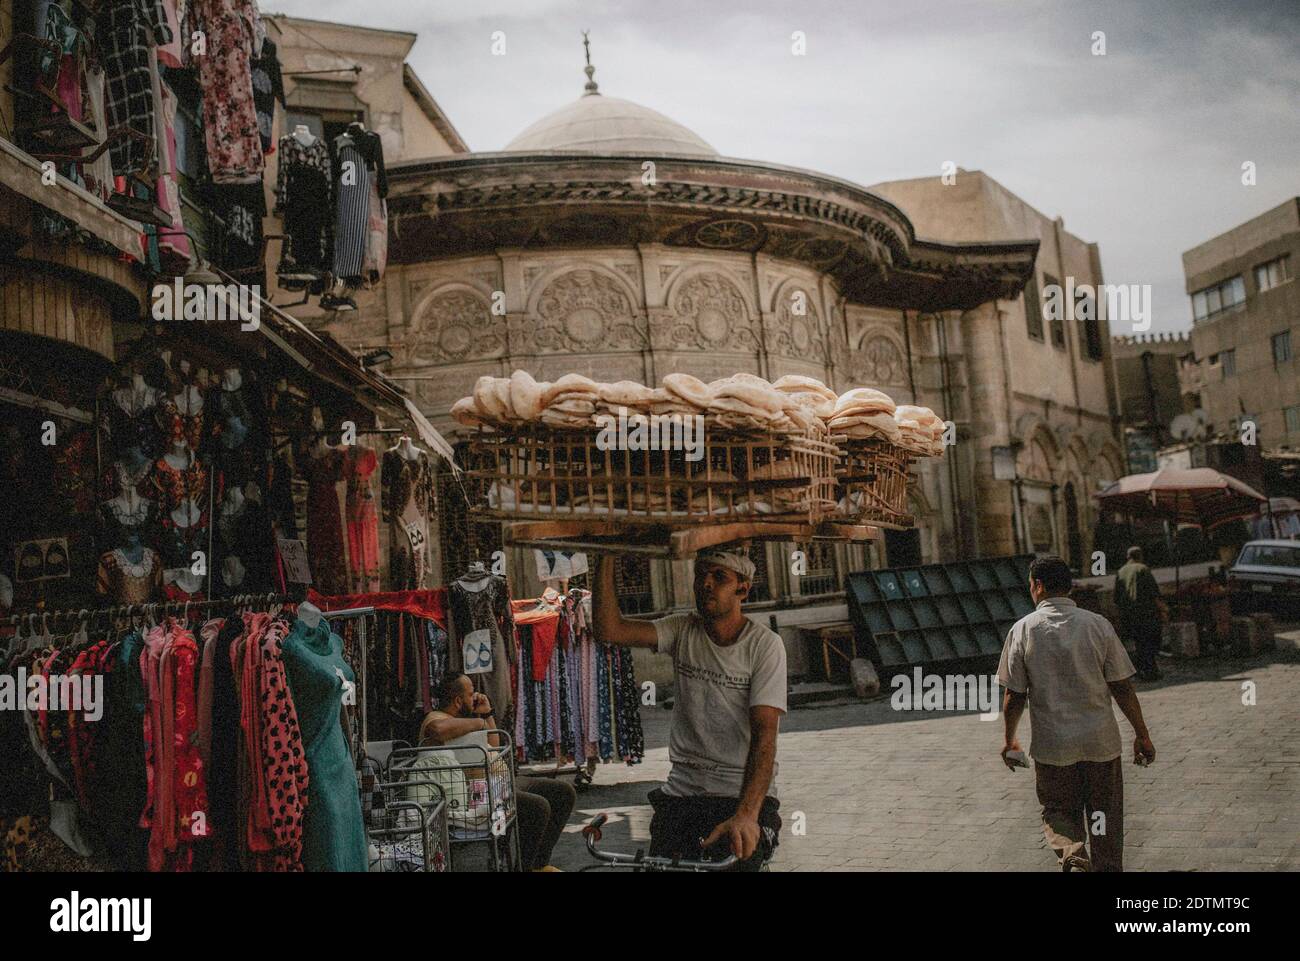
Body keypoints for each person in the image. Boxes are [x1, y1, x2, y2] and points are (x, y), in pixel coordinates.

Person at [593, 549, 786, 871]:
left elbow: (765, 735)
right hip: (682, 794)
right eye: (701, 575)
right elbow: (609, 630)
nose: (705, 584)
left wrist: (747, 815)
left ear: (743, 589)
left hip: (739, 795)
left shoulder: (764, 646)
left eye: (719, 577)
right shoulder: (682, 630)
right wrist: (606, 555)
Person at [998, 555, 1156, 872]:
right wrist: (1142, 734)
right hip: (1100, 743)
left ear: (1037, 586)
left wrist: (1010, 740)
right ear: (1069, 587)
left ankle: (1072, 850)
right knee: (1105, 818)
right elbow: (1122, 687)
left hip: (1054, 747)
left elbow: (1014, 695)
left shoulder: (1024, 630)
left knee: (1057, 810)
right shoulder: (1098, 625)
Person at [419, 673, 576, 872]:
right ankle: (525, 868)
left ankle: (538, 865)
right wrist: (479, 723)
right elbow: (437, 729)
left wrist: (486, 714)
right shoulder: (437, 717)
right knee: (538, 806)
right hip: (480, 795)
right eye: (470, 694)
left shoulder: (463, 720)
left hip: (500, 783)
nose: (475, 696)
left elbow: (494, 744)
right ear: (458, 701)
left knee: (563, 792)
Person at [1113, 546, 1165, 681]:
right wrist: (1164, 609)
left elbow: (1117, 598)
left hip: (1128, 614)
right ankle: (1149, 671)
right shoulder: (1143, 569)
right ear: (1140, 556)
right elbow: (1153, 592)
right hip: (1145, 612)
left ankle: (1142, 670)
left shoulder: (1120, 571)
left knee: (1138, 642)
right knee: (1149, 642)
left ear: (1128, 557)